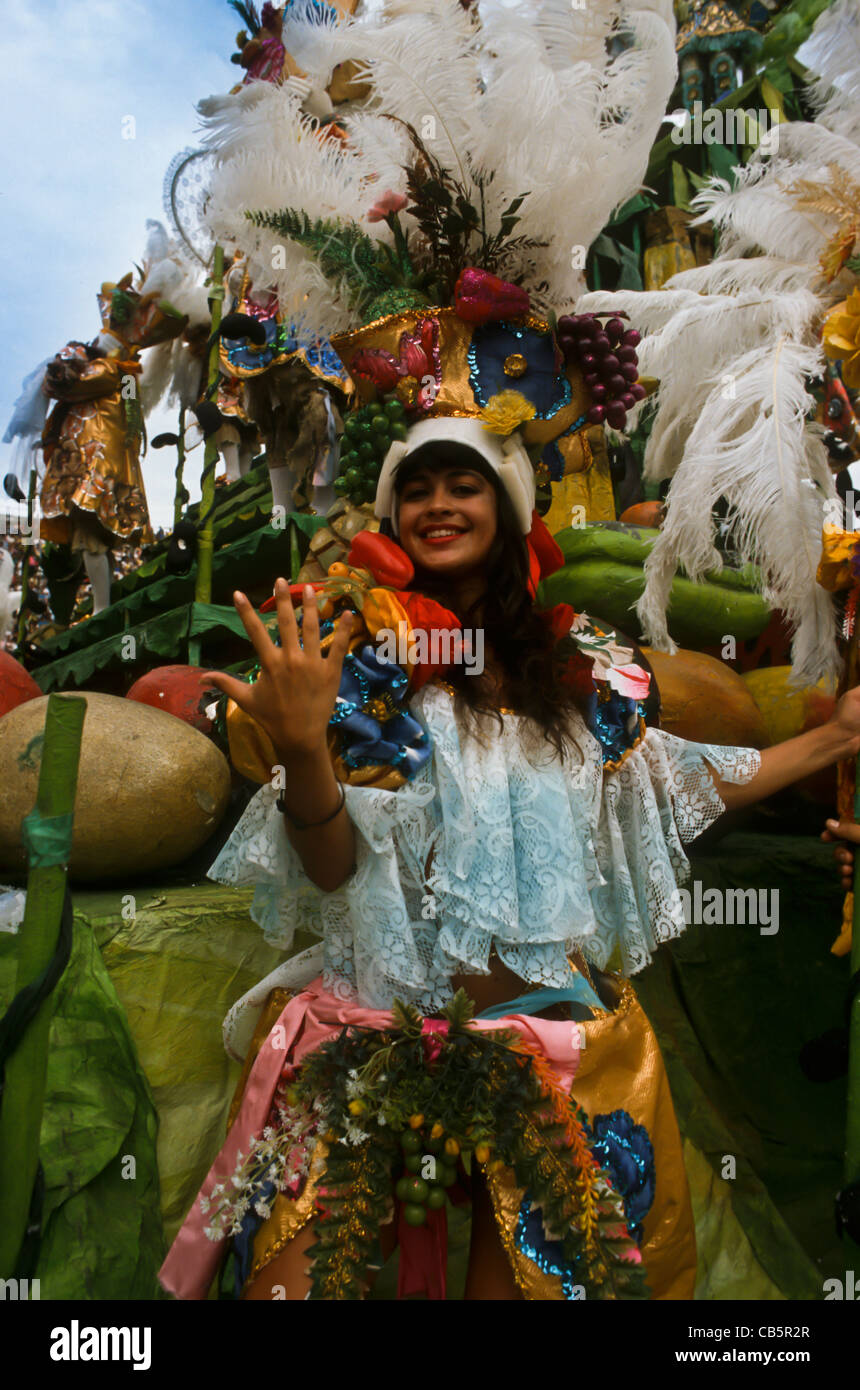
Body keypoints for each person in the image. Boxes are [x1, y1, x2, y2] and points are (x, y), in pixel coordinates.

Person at [158, 418, 860, 1302]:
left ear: (510, 506)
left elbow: (677, 782)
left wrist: (831, 740)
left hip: (552, 1050)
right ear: (389, 513)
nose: (437, 505)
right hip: (372, 1042)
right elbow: (334, 870)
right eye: (415, 489)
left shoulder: (581, 672)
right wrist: (302, 749)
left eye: (464, 484)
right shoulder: (353, 664)